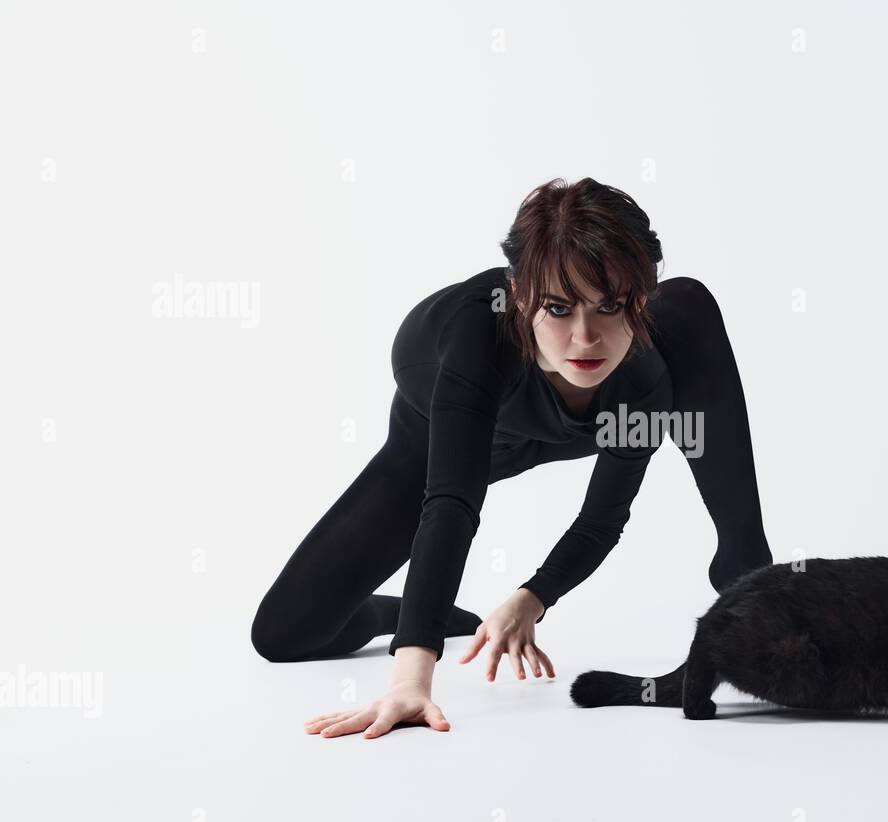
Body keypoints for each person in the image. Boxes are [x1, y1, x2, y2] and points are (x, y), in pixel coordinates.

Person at [250, 177, 773, 737]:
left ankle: (758, 587)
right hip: (434, 453)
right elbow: (451, 504)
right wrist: (411, 676)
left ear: (637, 299)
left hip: (569, 422)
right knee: (286, 634)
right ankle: (399, 612)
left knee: (689, 306)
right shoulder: (480, 331)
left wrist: (533, 597)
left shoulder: (644, 378)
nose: (585, 337)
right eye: (558, 307)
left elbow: (602, 520)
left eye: (609, 306)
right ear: (522, 298)